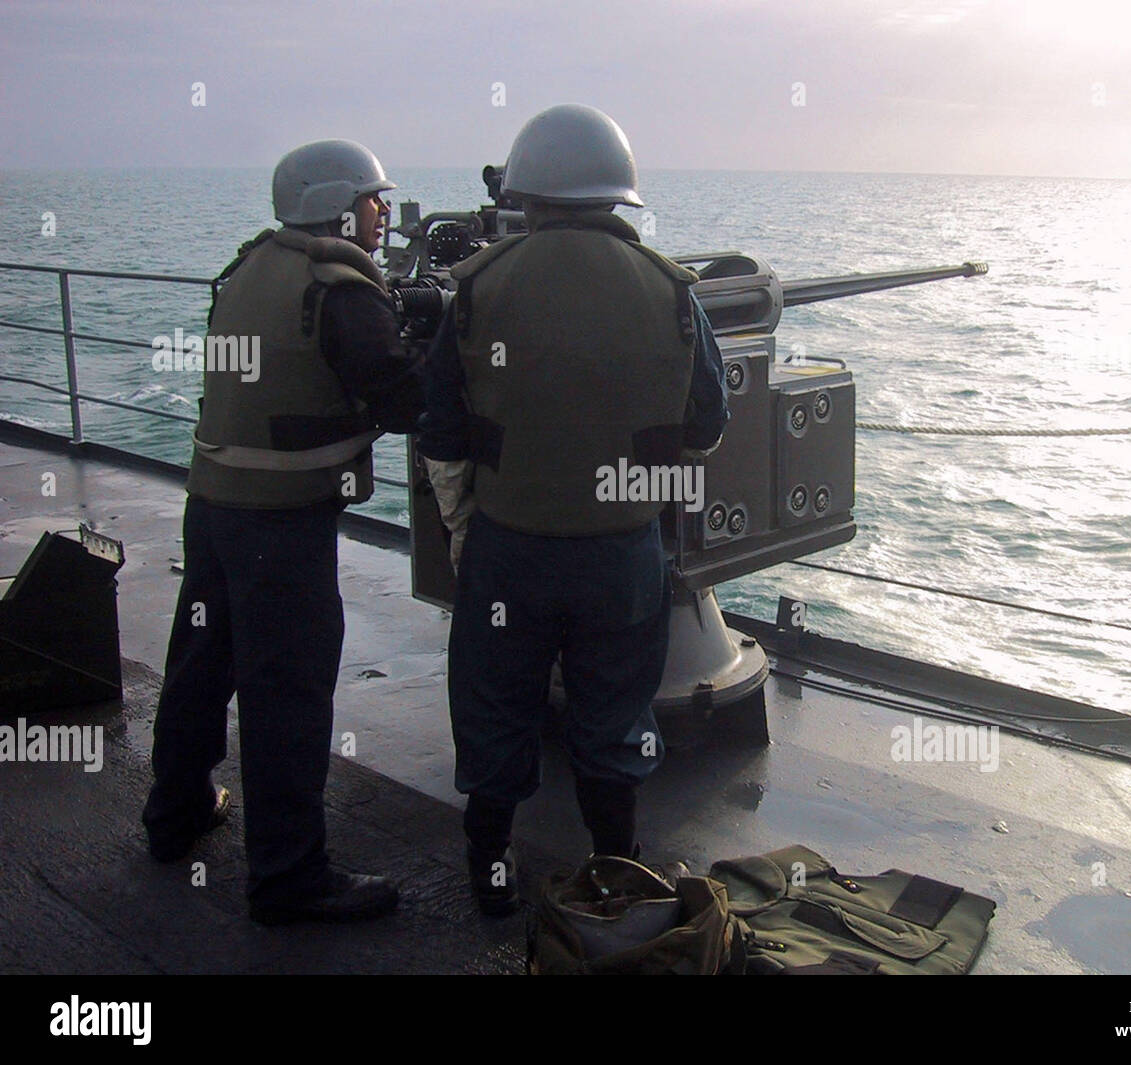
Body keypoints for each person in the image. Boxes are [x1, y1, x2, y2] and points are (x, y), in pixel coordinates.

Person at [416, 104, 729, 916]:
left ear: (526, 194)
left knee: (494, 709)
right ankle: (615, 878)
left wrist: (462, 530)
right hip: (621, 556)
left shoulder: (476, 290)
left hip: (507, 551)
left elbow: (442, 434)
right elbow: (707, 425)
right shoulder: (670, 291)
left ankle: (490, 872)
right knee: (615, 721)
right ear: (616, 197)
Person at [142, 139, 427, 925]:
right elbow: (403, 400)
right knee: (287, 693)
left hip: (216, 502)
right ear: (340, 206)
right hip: (284, 522)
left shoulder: (251, 266)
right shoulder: (341, 287)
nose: (380, 214)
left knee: (202, 662)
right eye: (373, 200)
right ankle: (288, 876)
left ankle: (176, 814)